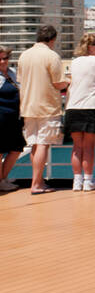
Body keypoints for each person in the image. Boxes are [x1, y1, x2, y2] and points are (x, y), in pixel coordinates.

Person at [16, 24, 68, 194]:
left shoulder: (24, 56)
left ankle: (36, 181)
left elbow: (20, 80)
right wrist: (70, 81)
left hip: (27, 106)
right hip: (46, 106)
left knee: (34, 145)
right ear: (52, 39)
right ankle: (37, 184)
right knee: (43, 144)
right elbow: (58, 83)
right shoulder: (51, 56)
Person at [64, 33, 95, 190]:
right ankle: (88, 181)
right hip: (91, 106)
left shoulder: (75, 61)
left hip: (72, 106)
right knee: (89, 146)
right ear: (90, 46)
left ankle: (77, 181)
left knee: (77, 146)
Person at [0, 45, 26, 192]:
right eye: (0, 59)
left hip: (14, 118)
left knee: (16, 148)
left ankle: (2, 178)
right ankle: (1, 181)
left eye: (6, 58)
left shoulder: (13, 73)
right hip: (1, 118)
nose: (3, 61)